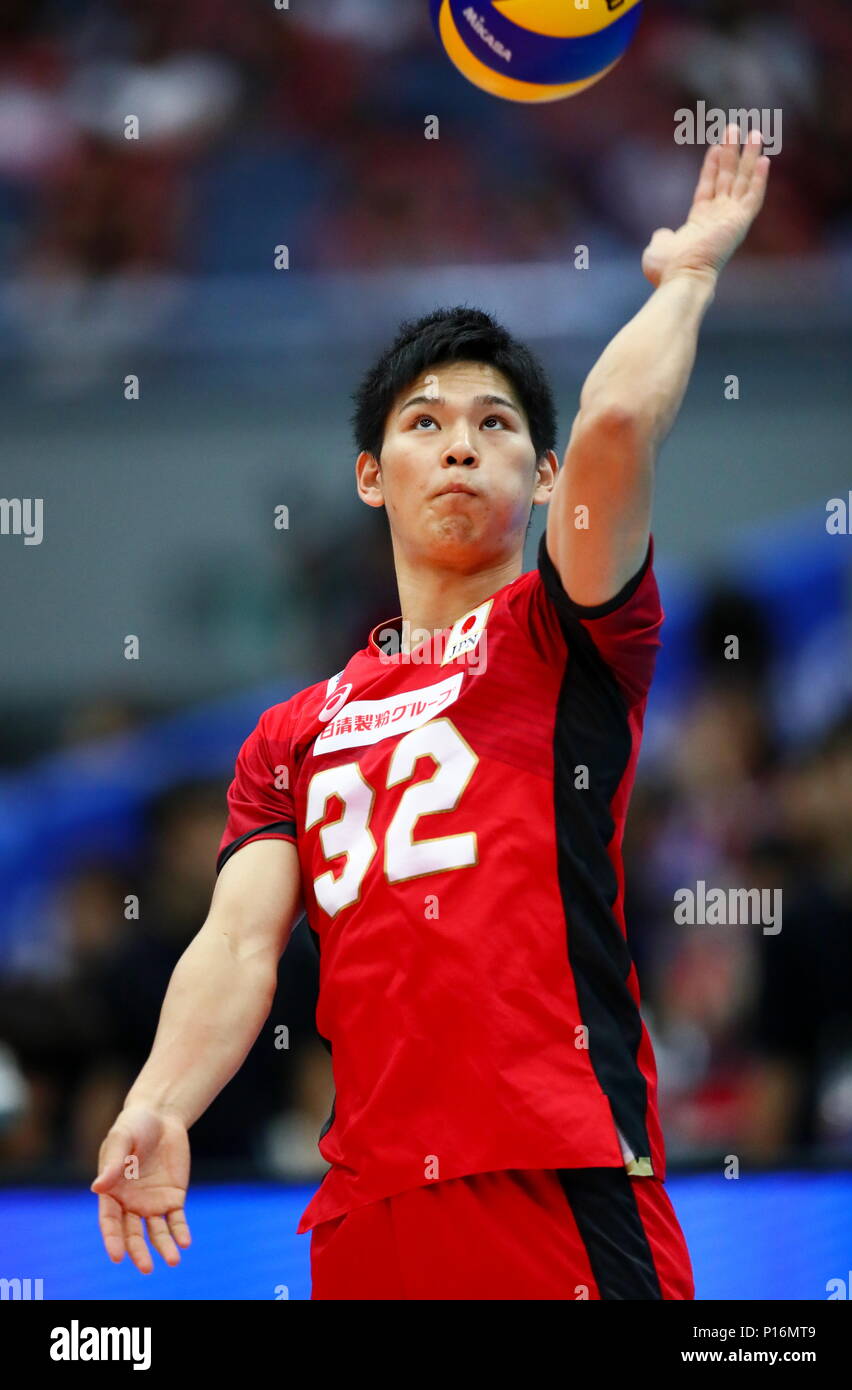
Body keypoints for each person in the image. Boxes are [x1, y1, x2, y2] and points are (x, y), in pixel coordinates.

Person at [92, 125, 769, 1299]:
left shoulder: (564, 637)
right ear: (369, 475)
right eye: (423, 423)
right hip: (366, 1210)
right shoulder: (289, 733)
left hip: (552, 1177)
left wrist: (690, 275)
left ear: (542, 479)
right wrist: (156, 1100)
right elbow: (240, 942)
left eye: (496, 426)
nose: (459, 444)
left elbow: (611, 427)